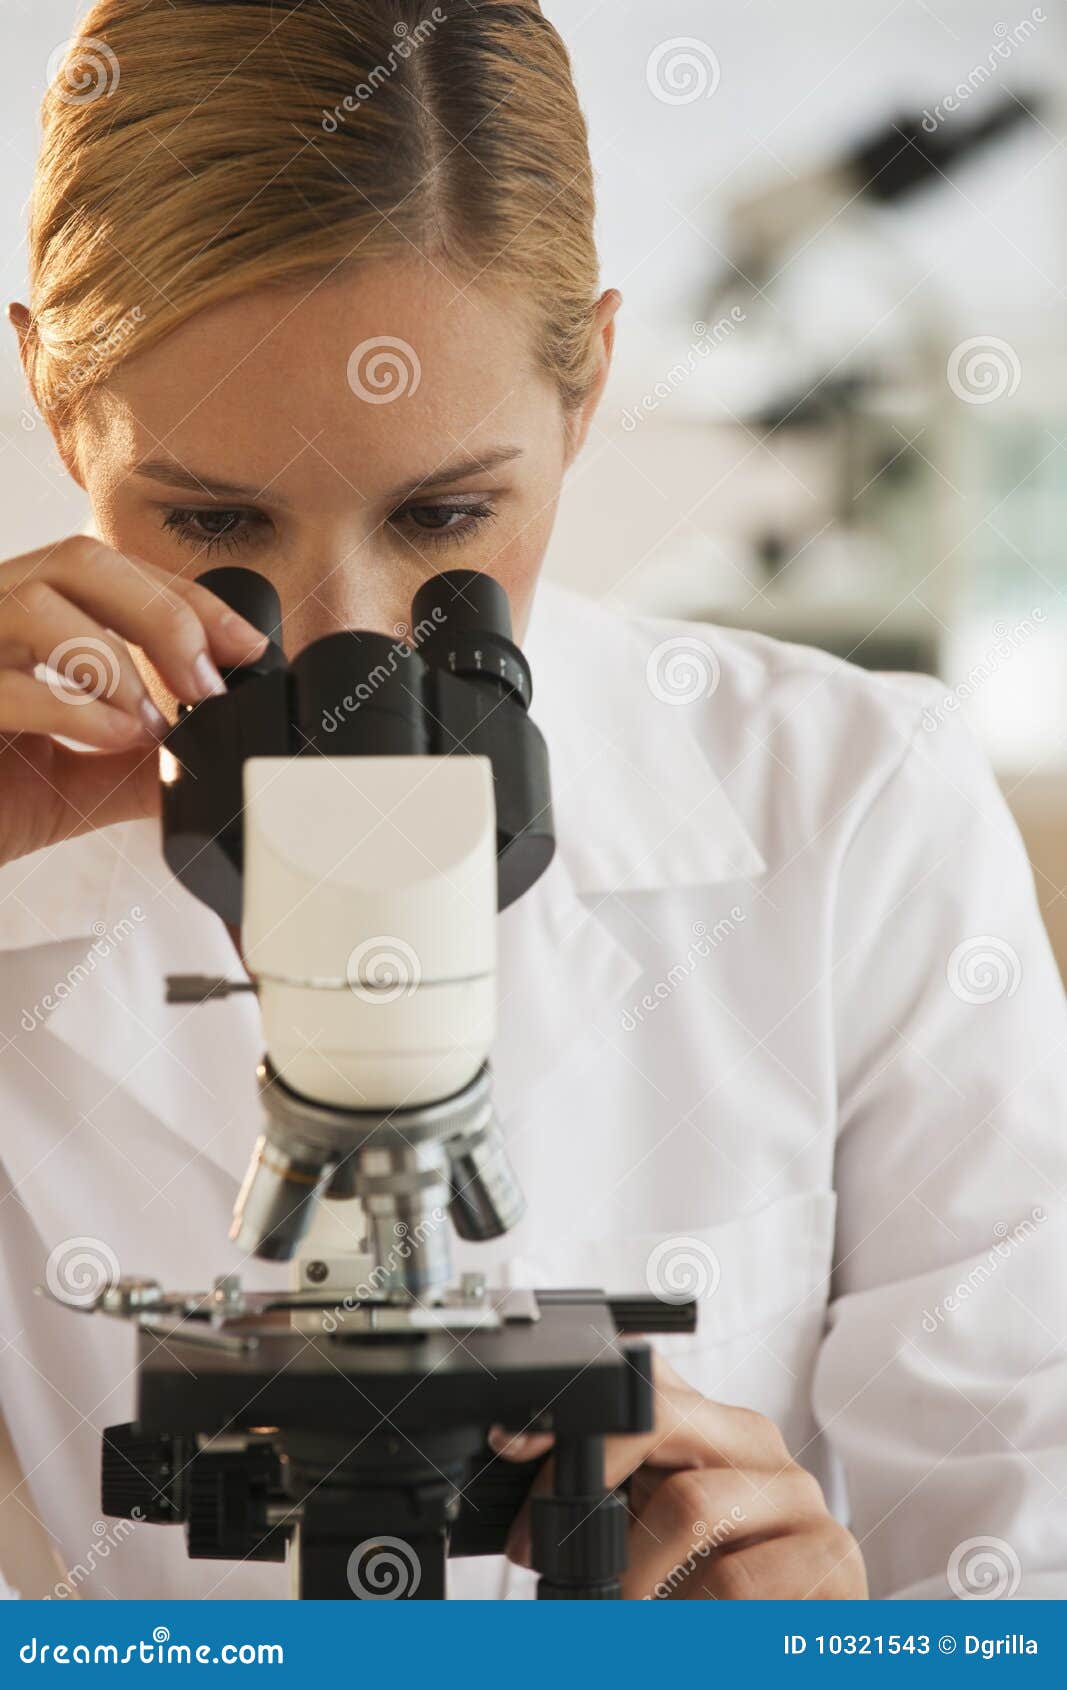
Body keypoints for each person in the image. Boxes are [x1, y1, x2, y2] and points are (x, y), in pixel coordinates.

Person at [0, 0, 1063, 1602]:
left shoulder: (856, 808)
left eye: (446, 517)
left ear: (588, 392)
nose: (351, 643)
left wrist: (829, 1648)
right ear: (53, 398)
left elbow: (1018, 1570)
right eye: (216, 521)